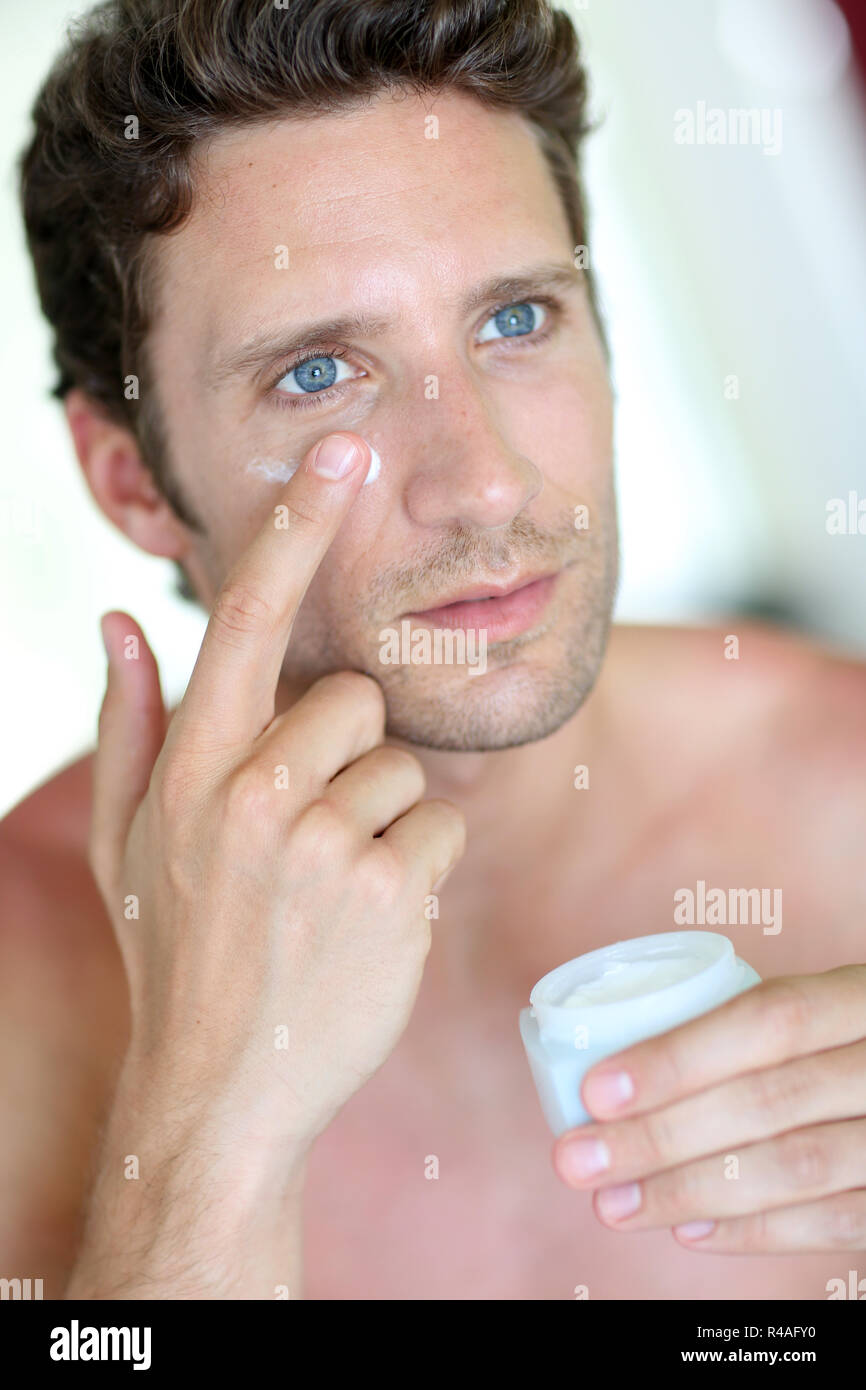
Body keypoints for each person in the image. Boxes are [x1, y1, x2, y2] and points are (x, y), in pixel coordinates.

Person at [3, 0, 864, 1301]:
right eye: (317, 374)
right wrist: (206, 1129)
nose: (481, 486)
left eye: (515, 322)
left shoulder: (843, 784)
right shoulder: (26, 977)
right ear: (131, 481)